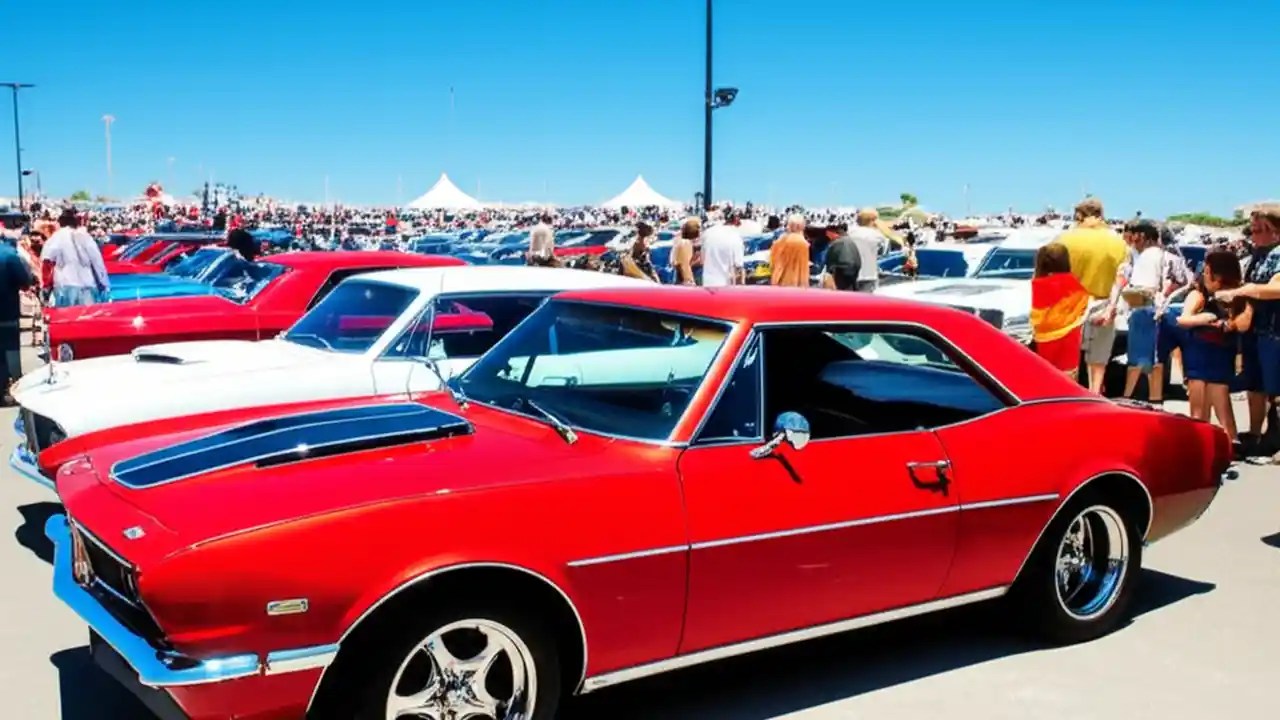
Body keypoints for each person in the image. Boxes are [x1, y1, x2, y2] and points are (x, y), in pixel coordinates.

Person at [1215, 204, 1280, 457]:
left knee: (1275, 390)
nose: (1252, 235)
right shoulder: (1259, 254)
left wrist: (1239, 291)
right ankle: (1256, 435)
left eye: (1258, 230)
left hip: (1274, 332)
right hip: (1257, 331)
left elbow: (1275, 288)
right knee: (1256, 385)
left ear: (1274, 231)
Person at [1178, 250, 1250, 446]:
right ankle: (1210, 440)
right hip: (1204, 351)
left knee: (1214, 396)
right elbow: (1184, 318)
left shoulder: (1237, 294)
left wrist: (1227, 324)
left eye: (1208, 271)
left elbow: (1244, 322)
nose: (1205, 274)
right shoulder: (1199, 293)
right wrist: (1207, 318)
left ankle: (1223, 440)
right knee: (1204, 395)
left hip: (1215, 351)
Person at [1057, 198, 1128, 391]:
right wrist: (1112, 308)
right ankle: (1094, 396)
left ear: (1079, 215)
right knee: (1098, 363)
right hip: (1103, 303)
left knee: (1069, 363)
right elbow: (1121, 278)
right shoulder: (1116, 241)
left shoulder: (1065, 239)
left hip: (1070, 306)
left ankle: (1068, 399)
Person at [1119, 220, 1167, 404]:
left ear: (1143, 237)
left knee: (1137, 360)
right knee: (1152, 360)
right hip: (1152, 309)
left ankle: (1127, 397)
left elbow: (1144, 287)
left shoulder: (1148, 256)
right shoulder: (1158, 255)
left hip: (1142, 309)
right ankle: (1155, 399)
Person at [1031, 242, 1089, 376]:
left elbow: (1038, 317)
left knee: (1047, 376)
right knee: (1069, 377)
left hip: (1046, 340)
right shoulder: (1074, 283)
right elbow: (1083, 307)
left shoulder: (1040, 284)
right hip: (1071, 337)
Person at [41, 208, 109, 307]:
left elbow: (46, 261)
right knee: (86, 319)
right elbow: (97, 261)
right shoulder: (86, 237)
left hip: (63, 285)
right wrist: (104, 284)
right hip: (87, 285)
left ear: (60, 222)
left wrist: (46, 287)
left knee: (67, 319)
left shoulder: (55, 238)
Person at [0, 233, 34, 402]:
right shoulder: (10, 255)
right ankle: (15, 388)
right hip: (6, 310)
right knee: (11, 349)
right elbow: (25, 281)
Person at [701, 210, 746, 287]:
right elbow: (738, 268)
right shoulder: (736, 237)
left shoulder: (708, 232)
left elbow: (702, 260)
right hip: (725, 289)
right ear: (736, 221)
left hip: (707, 286)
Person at [848, 209, 886, 292]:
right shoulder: (877, 235)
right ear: (873, 220)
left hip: (850, 275)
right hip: (869, 275)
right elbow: (883, 252)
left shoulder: (849, 232)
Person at [769, 214, 811, 287]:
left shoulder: (781, 240)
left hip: (781, 282)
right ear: (801, 226)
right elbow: (803, 269)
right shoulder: (804, 243)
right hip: (798, 284)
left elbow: (772, 261)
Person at [822, 223, 862, 290]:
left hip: (841, 276)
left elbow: (829, 262)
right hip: (853, 275)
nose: (827, 235)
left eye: (828, 234)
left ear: (833, 232)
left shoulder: (837, 243)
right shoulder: (850, 241)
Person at [671, 217, 700, 285]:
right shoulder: (686, 243)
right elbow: (685, 266)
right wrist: (691, 282)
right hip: (685, 283)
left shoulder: (679, 242)